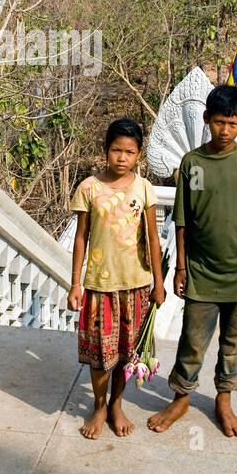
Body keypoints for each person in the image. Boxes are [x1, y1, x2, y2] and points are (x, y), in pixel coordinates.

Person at [147, 84, 237, 438]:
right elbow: (183, 220)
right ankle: (181, 397)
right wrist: (181, 267)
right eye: (219, 122)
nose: (225, 131)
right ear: (207, 119)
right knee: (193, 339)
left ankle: (224, 399)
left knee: (233, 341)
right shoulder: (193, 163)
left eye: (232, 124)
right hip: (201, 271)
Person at [68, 117, 166, 439]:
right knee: (99, 354)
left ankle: (117, 403)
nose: (122, 158)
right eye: (116, 150)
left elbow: (153, 238)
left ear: (138, 154)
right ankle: (99, 406)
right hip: (99, 286)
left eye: (129, 152)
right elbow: (81, 237)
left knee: (127, 351)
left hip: (136, 284)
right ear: (105, 150)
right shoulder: (89, 188)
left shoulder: (144, 189)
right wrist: (75, 283)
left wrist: (159, 282)